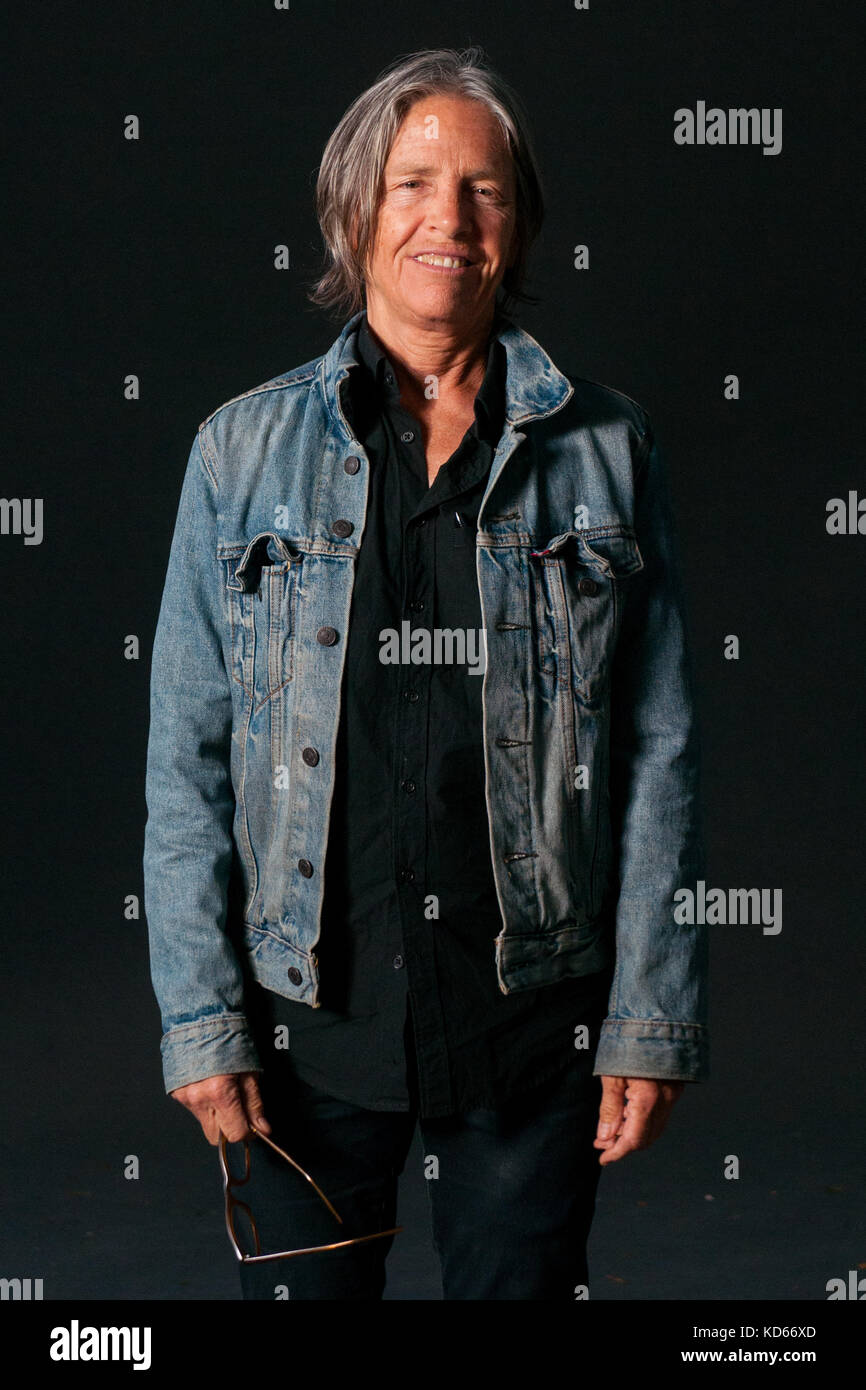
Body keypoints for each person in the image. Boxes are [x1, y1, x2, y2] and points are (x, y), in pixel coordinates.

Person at [143, 46, 708, 1301]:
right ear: (358, 208)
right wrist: (200, 1016)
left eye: (483, 189)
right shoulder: (239, 452)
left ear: (517, 223)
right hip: (303, 1026)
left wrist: (647, 1013)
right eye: (411, 183)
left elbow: (657, 751)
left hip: (529, 1022)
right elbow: (184, 755)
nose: (446, 219)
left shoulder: (607, 451)